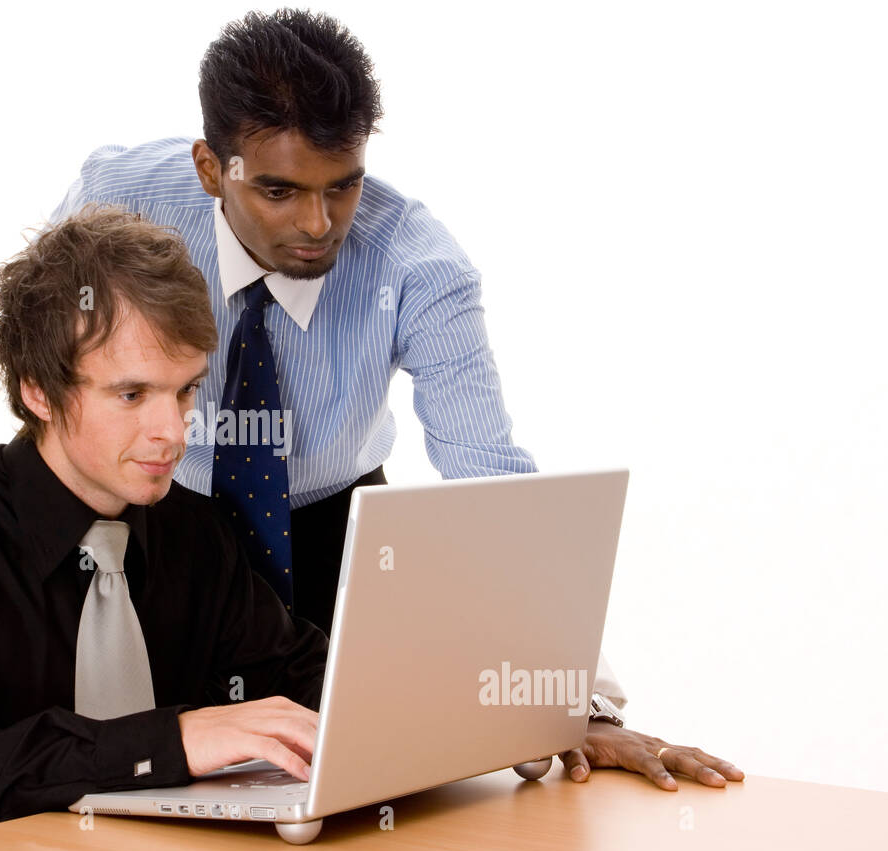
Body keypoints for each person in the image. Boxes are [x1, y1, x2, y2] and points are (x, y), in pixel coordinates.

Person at [50, 9, 744, 792]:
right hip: (152, 521)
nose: (317, 225)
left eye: (342, 186)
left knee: (347, 785)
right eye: (279, 190)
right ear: (213, 169)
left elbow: (493, 484)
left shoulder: (416, 264)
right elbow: (52, 378)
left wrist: (568, 701)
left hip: (322, 531)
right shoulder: (115, 199)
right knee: (138, 780)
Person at [0, 206, 327, 851]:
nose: (174, 432)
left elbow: (306, 681)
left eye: (183, 393)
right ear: (38, 389)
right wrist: (174, 739)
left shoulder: (196, 533)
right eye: (131, 395)